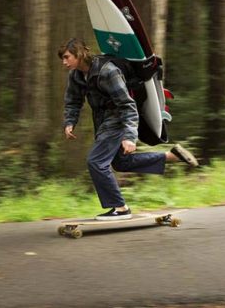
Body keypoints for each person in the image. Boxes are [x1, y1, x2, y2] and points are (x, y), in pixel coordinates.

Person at [58, 38, 198, 221]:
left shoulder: (108, 71)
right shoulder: (76, 75)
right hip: (102, 121)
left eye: (67, 57)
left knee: (96, 161)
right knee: (120, 163)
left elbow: (127, 105)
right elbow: (73, 100)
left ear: (79, 54)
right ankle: (171, 156)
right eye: (63, 58)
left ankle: (121, 208)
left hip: (117, 120)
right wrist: (70, 122)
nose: (64, 62)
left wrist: (129, 136)